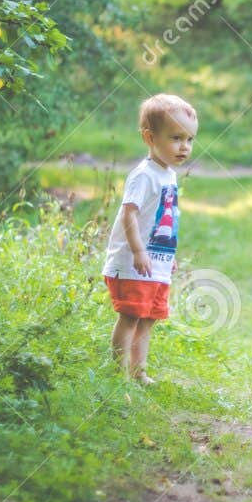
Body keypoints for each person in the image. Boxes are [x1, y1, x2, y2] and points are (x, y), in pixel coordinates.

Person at [102, 93, 196, 383]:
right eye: (176, 138)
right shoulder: (144, 175)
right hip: (133, 262)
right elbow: (129, 215)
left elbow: (161, 221)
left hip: (155, 261)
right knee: (130, 316)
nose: (184, 147)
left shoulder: (168, 174)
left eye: (190, 139)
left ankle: (138, 371)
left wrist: (167, 254)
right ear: (149, 138)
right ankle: (117, 375)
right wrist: (140, 251)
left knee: (149, 318)